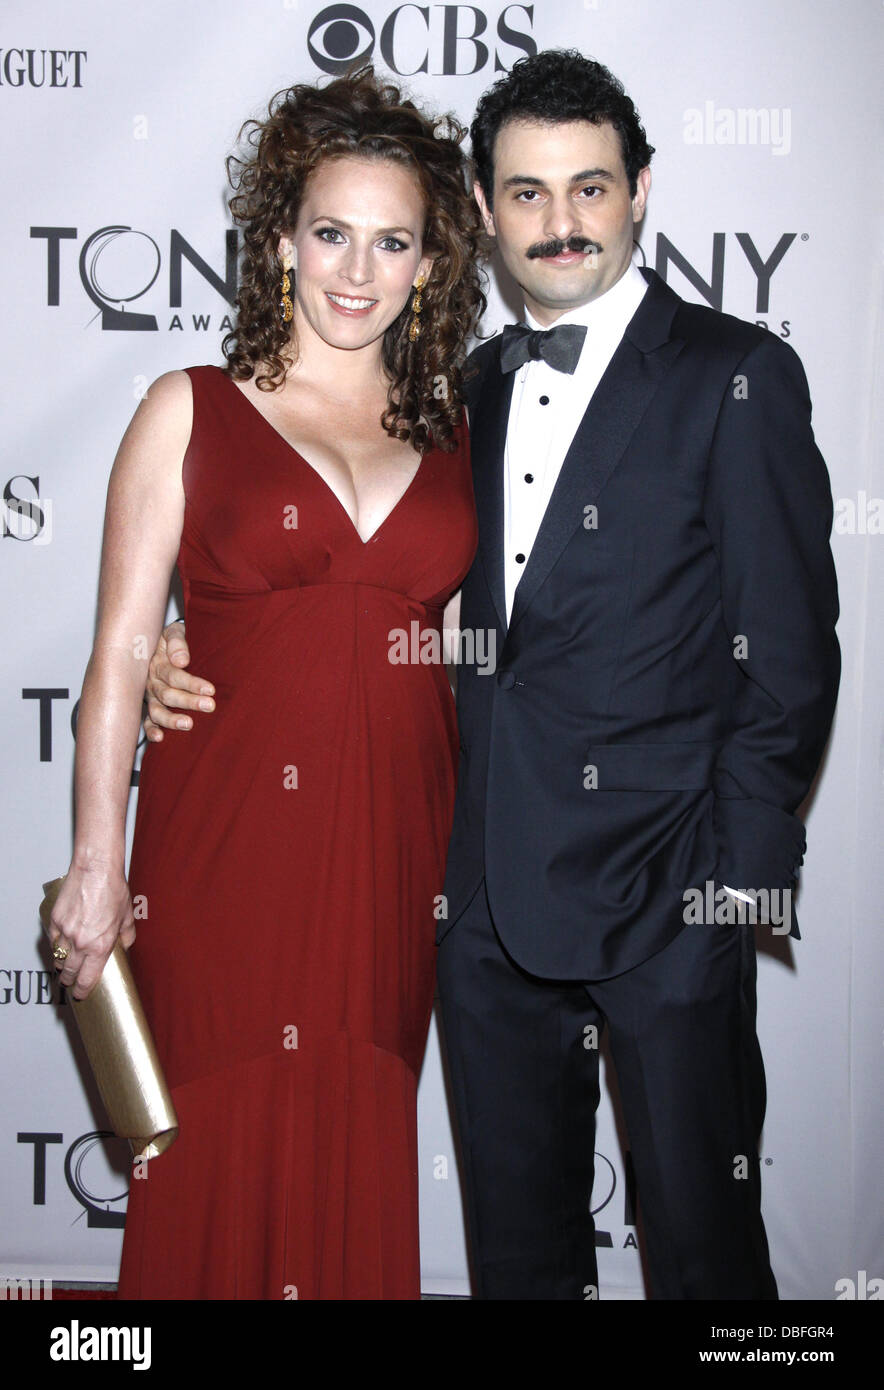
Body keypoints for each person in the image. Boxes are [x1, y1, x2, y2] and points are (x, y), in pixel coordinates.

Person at [146, 50, 841, 1300]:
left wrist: (729, 898)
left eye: (587, 187)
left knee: (703, 1256)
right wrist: (187, 656)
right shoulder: (453, 400)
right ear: (478, 207)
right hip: (477, 908)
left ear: (638, 192)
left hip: (666, 903)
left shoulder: (731, 376)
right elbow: (398, 615)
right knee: (520, 1257)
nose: (559, 221)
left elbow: (787, 660)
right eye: (525, 193)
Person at [47, 66, 484, 1300]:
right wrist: (97, 861)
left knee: (353, 1132)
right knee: (212, 1142)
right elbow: (122, 656)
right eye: (331, 232)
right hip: (223, 848)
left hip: (392, 864)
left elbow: (463, 661)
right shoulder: (187, 409)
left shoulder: (454, 436)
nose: (357, 270)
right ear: (281, 240)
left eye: (392, 240)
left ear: (429, 263)